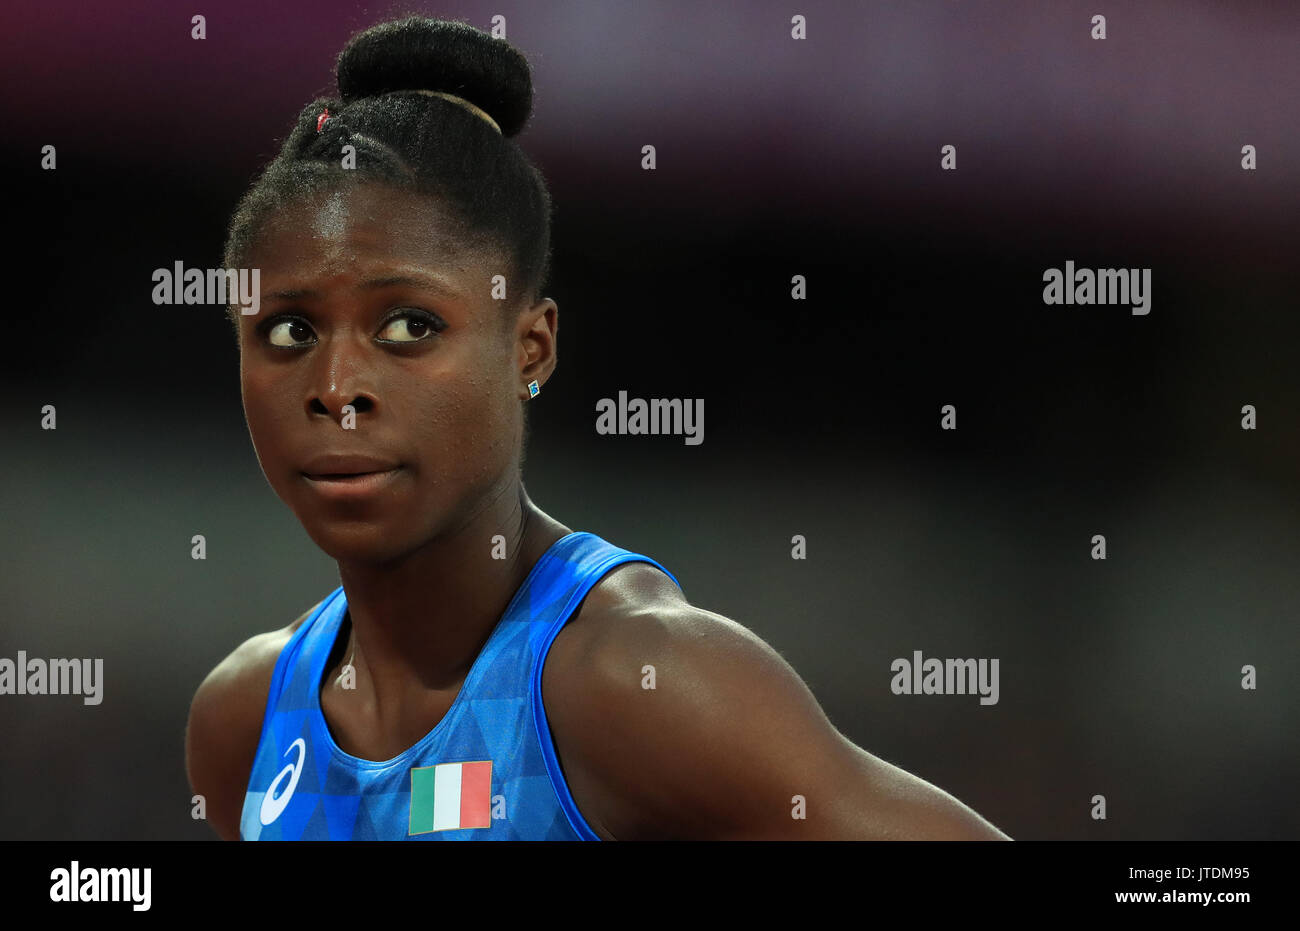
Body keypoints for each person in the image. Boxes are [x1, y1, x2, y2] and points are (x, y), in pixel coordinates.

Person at [184, 15, 1010, 841]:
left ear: (529, 350)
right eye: (289, 333)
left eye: (408, 325)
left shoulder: (635, 682)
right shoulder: (244, 722)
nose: (336, 390)